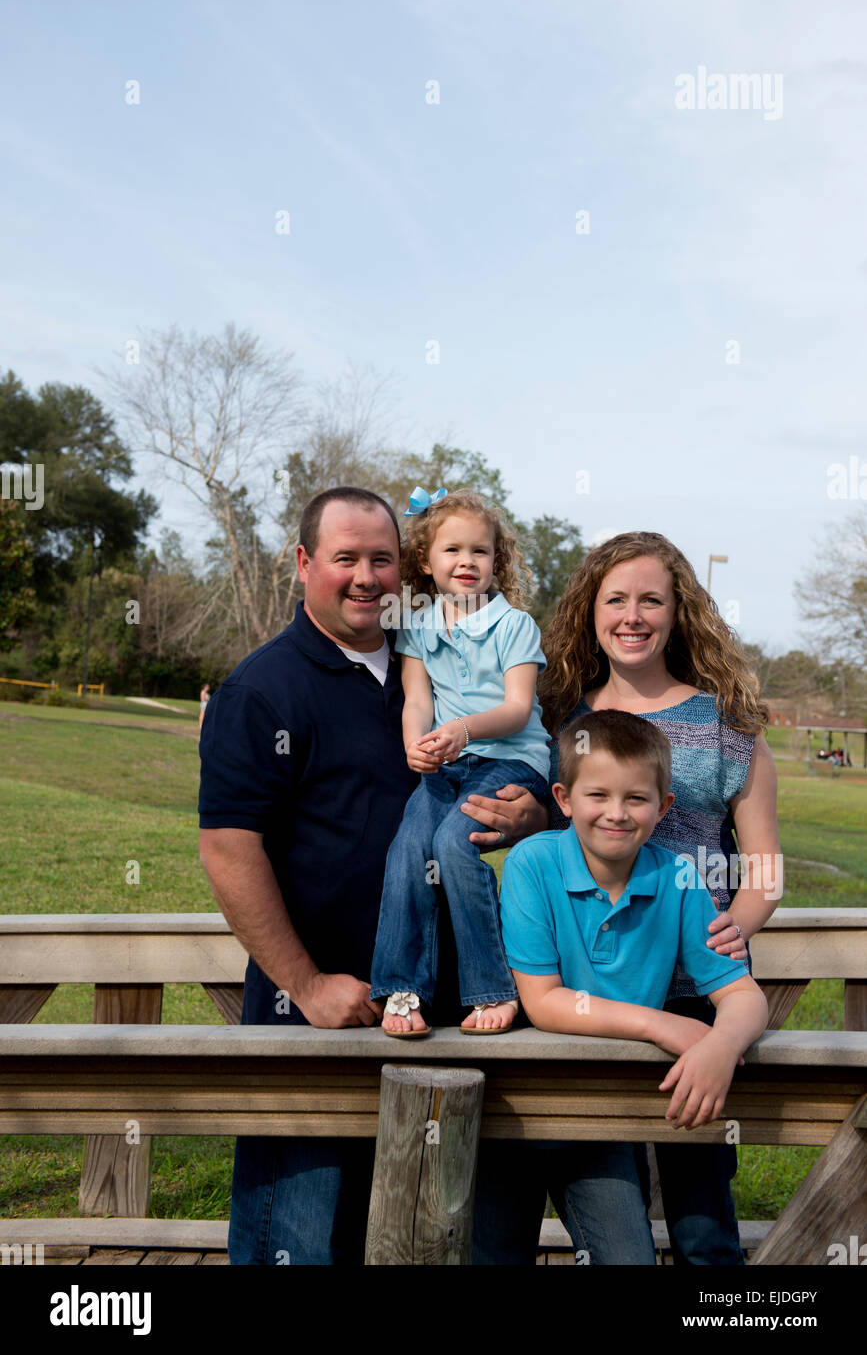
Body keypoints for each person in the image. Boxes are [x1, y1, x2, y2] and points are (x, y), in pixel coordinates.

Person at [198, 487, 547, 1265]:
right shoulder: (263, 689)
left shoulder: (441, 663)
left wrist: (535, 815)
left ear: (405, 568)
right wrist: (308, 983)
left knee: (434, 1242)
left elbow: (535, 767)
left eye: (380, 559)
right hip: (318, 1014)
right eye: (345, 558)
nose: (365, 577)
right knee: (298, 1240)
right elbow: (228, 849)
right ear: (303, 564)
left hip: (451, 1016)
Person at [537, 530, 782, 1265]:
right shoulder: (562, 717)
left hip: (698, 991)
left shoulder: (725, 724)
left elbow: (763, 863)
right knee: (606, 1202)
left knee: (702, 1211)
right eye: (616, 599)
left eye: (651, 599)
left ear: (679, 612)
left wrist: (731, 928)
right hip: (591, 989)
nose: (632, 615)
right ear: (591, 610)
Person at [499, 708, 769, 1264]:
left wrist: (722, 1044)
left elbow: (742, 995)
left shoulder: (679, 877)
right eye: (597, 795)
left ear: (664, 806)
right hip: (512, 1111)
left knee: (628, 1259)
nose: (616, 814)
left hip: (601, 1118)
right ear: (564, 798)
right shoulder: (533, 863)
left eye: (636, 799)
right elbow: (544, 1001)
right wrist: (661, 1022)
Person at [370, 488, 551, 1038]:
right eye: (452, 550)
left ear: (498, 561)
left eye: (480, 551)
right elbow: (418, 699)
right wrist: (415, 743)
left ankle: (493, 989)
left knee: (453, 843)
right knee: (408, 845)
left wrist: (464, 729)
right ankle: (402, 989)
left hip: (511, 760)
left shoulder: (514, 625)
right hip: (448, 760)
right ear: (426, 562)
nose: (467, 562)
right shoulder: (417, 625)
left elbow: (519, 709)